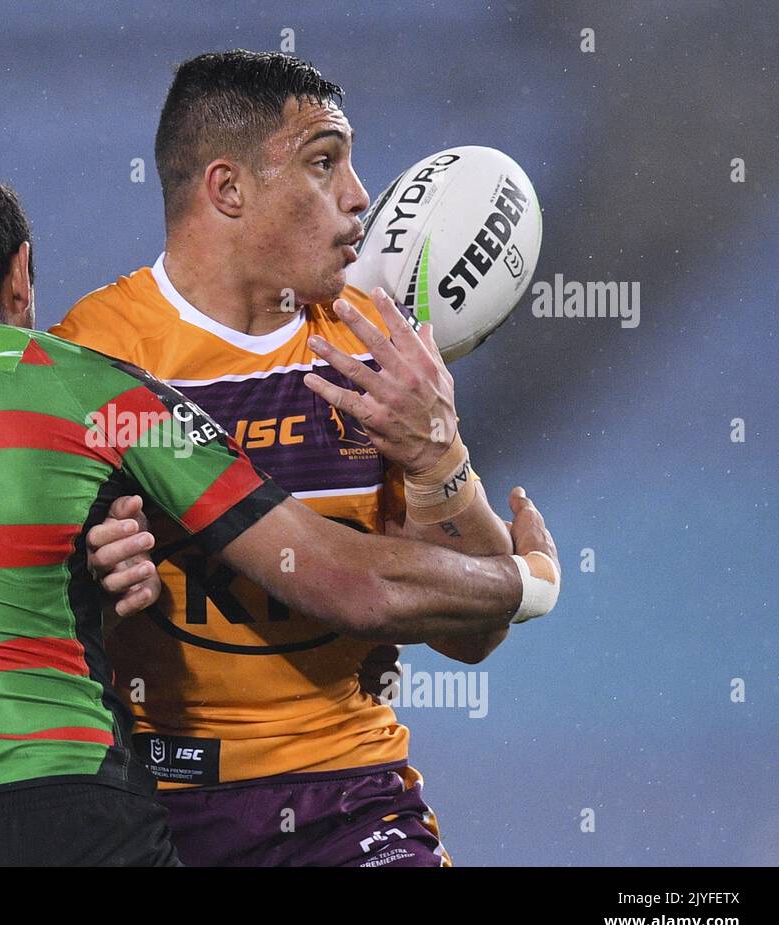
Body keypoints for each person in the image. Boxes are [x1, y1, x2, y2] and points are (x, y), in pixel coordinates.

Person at [0, 151, 558, 866]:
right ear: (20, 277)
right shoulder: (79, 379)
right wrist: (527, 580)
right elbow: (347, 583)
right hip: (55, 810)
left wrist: (100, 581)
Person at [54, 50, 548, 866]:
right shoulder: (94, 354)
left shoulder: (371, 346)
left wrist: (439, 458)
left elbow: (472, 639)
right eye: (325, 163)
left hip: (349, 799)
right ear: (228, 190)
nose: (360, 196)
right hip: (152, 806)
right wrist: (91, 575)